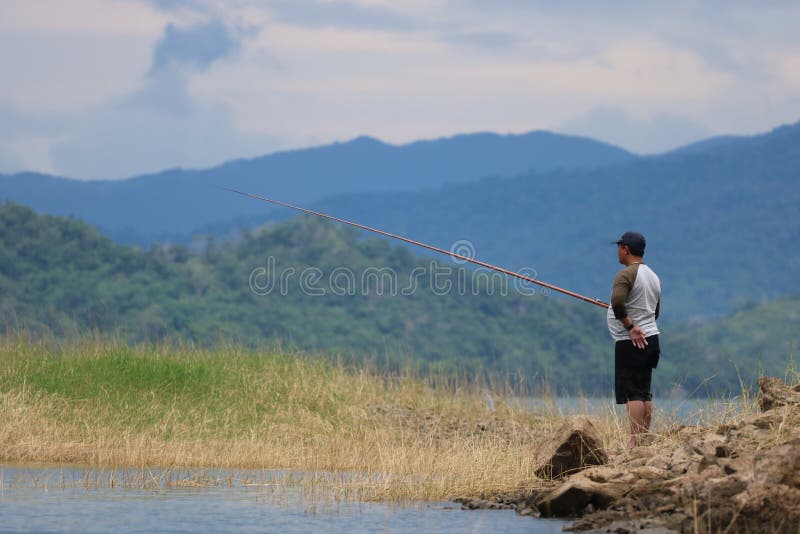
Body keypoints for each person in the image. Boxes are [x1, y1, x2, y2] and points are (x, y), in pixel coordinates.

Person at [607, 231, 661, 448]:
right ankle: (643, 439)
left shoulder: (626, 274)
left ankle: (634, 441)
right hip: (651, 339)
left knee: (633, 393)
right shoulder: (654, 277)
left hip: (631, 342)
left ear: (625, 249)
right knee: (644, 390)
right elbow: (654, 312)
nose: (618, 252)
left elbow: (618, 302)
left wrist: (630, 326)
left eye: (619, 247)